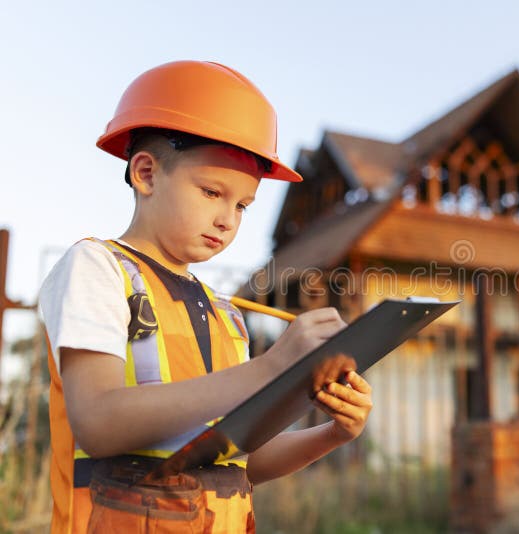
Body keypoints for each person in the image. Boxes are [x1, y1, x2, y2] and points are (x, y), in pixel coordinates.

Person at [39, 60, 373, 533]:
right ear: (147, 174)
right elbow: (97, 421)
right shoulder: (98, 269)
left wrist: (332, 434)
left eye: (242, 205)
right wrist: (272, 368)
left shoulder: (225, 315)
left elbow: (239, 464)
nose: (228, 219)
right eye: (212, 192)